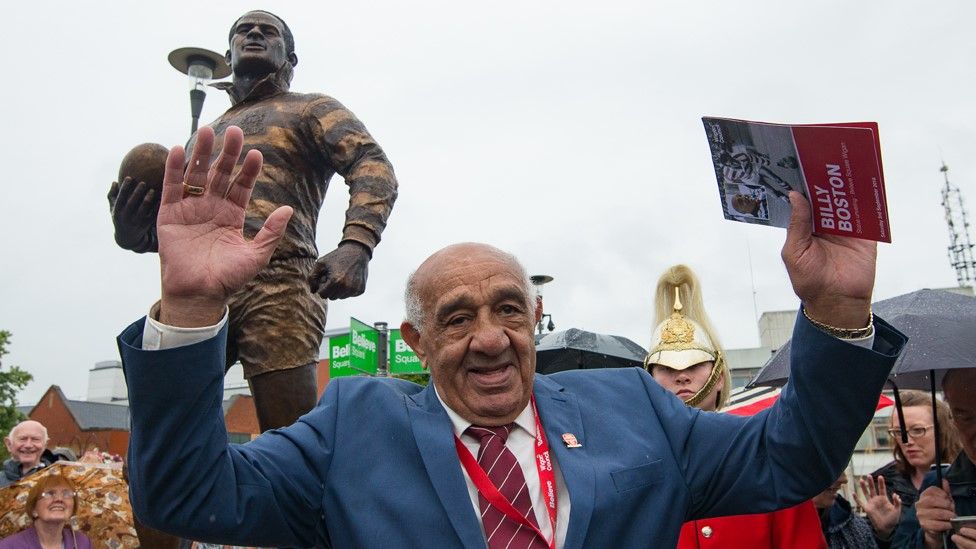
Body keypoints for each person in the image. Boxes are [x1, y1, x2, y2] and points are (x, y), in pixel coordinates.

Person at [117, 127, 905, 547]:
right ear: (416, 344)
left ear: (534, 317)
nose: (490, 338)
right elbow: (188, 495)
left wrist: (835, 311)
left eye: (507, 309)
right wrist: (189, 309)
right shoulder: (352, 429)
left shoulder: (635, 409)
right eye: (456, 318)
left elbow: (791, 458)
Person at [107, 10, 398, 431]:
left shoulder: (310, 108)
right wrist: (137, 234)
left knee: (290, 437)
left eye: (269, 31)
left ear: (290, 59)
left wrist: (358, 243)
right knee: (163, 427)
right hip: (202, 287)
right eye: (243, 30)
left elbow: (371, 164)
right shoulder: (203, 136)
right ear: (229, 52)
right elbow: (185, 228)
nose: (255, 33)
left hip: (280, 282)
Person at [645, 264, 826, 548]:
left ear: (718, 378)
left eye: (695, 364)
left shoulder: (767, 457)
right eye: (665, 367)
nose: (681, 375)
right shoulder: (632, 465)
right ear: (649, 380)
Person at [857, 390, 961, 545]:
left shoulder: (965, 474)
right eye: (899, 432)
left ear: (942, 430)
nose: (907, 441)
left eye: (918, 430)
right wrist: (885, 532)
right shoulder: (884, 484)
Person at [894, 368, 976, 549]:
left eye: (918, 430)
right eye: (965, 416)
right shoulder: (938, 485)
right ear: (952, 418)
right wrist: (930, 540)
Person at [0, 472, 92, 548]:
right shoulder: (8, 546)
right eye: (49, 493)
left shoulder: (82, 542)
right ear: (34, 509)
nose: (59, 499)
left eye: (66, 494)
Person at [813, 471, 878, 548]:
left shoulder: (854, 527)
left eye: (843, 467)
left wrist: (884, 536)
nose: (844, 479)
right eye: (830, 464)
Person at [2, 421, 58, 488]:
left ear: (45, 445)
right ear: (9, 444)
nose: (28, 445)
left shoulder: (59, 479)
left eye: (35, 439)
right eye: (22, 439)